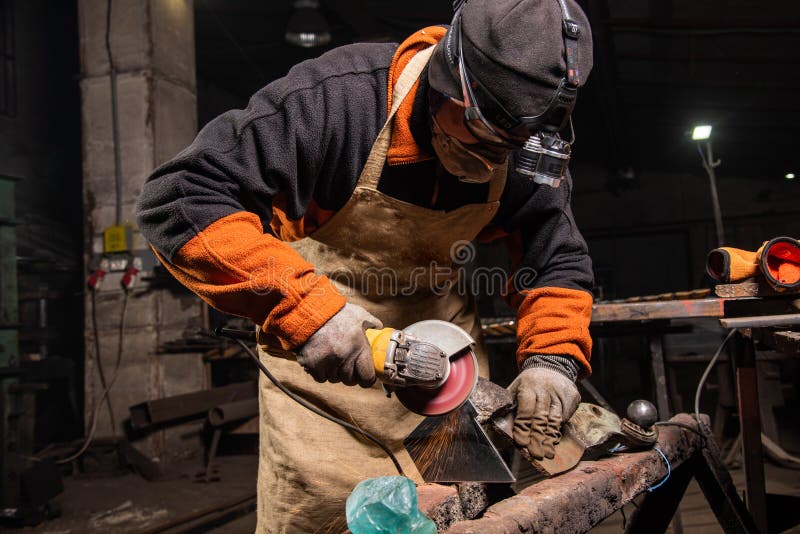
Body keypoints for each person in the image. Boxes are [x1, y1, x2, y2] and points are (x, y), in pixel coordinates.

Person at [137, 0, 594, 531]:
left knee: (465, 520)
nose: (494, 164)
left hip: (454, 387)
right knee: (331, 522)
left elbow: (554, 255)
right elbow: (181, 202)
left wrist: (552, 359)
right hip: (328, 377)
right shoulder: (337, 102)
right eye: (484, 139)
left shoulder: (522, 151)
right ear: (450, 80)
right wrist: (309, 313)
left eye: (510, 149)